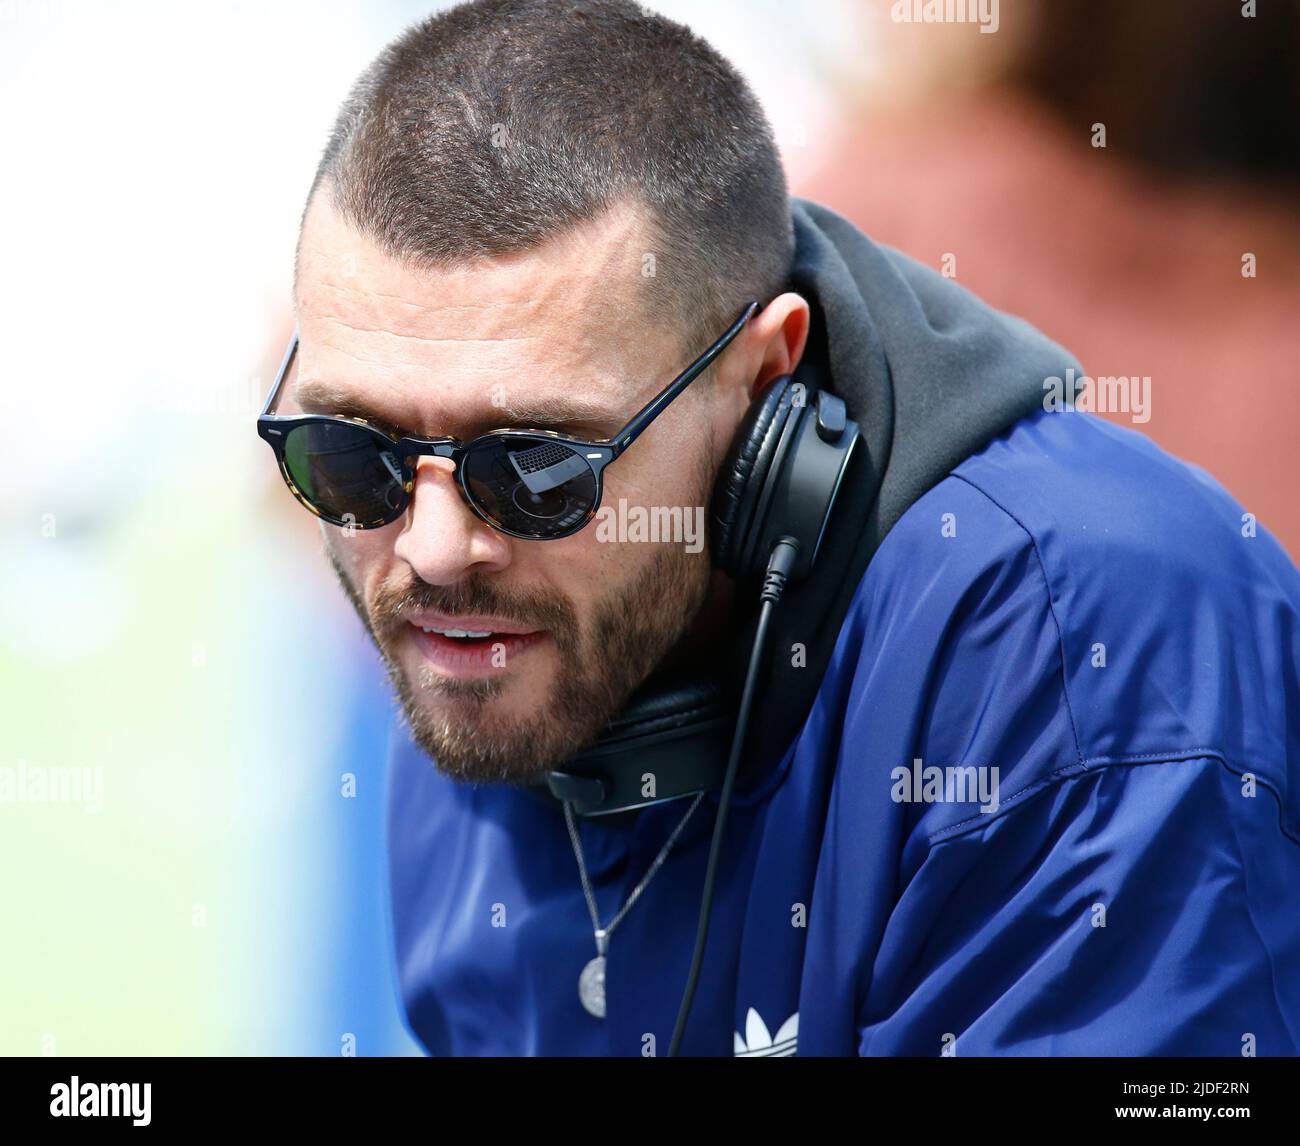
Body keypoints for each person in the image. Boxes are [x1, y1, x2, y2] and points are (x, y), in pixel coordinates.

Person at [259, 0, 1300, 1056]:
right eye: (351, 456)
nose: (432, 551)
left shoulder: (1095, 656)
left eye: (538, 470)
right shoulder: (481, 659)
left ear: (761, 380)